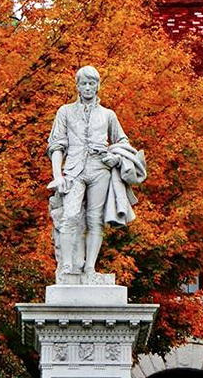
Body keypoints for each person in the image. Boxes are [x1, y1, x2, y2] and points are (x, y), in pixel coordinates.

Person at [47, 66, 146, 281]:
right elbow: (56, 146)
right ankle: (66, 267)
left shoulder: (108, 115)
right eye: (84, 83)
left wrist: (116, 159)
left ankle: (90, 268)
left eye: (92, 83)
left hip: (100, 169)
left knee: (95, 220)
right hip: (73, 169)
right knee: (70, 216)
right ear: (77, 87)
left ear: (98, 86)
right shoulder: (65, 111)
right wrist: (57, 176)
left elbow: (122, 142)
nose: (88, 87)